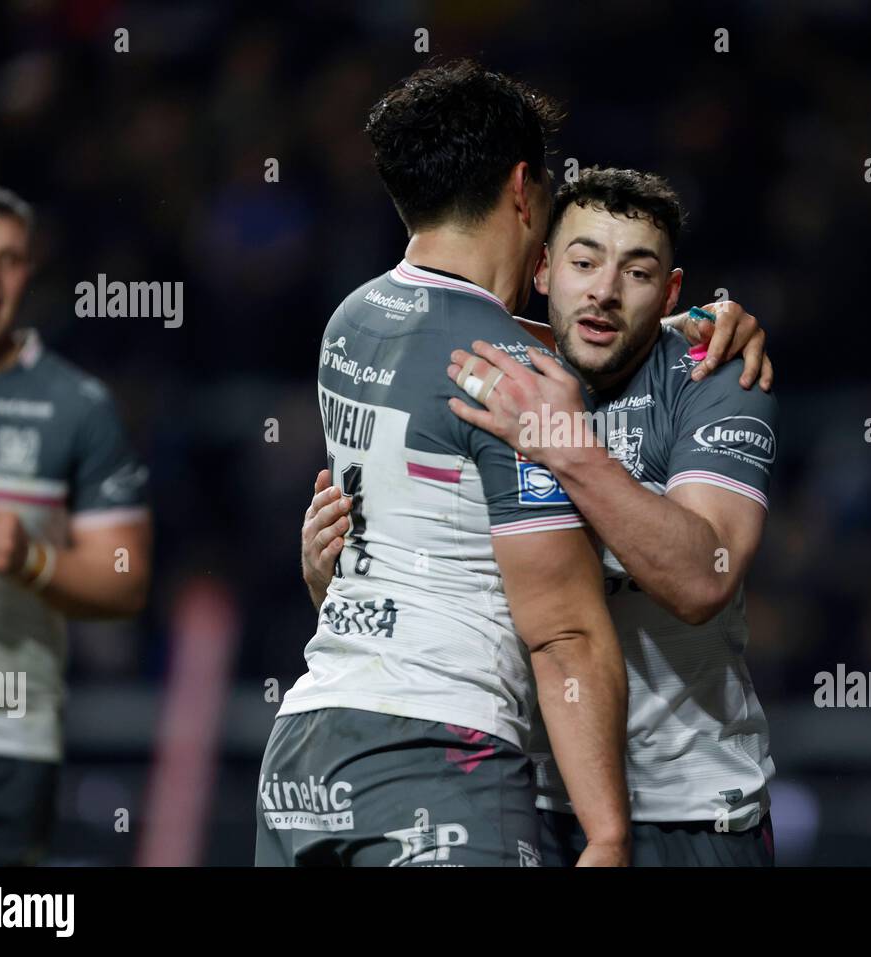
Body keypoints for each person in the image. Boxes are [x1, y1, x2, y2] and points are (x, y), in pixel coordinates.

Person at [305, 167, 779, 865]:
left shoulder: (715, 374)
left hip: (691, 811)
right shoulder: (491, 367)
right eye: (584, 263)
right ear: (544, 270)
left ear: (671, 291)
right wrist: (336, 573)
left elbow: (701, 578)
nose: (605, 291)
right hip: (518, 797)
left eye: (637, 273)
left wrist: (566, 445)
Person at [256, 60, 629, 868]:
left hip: (306, 750)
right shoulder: (514, 381)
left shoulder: (351, 320)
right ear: (524, 188)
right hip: (435, 757)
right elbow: (563, 630)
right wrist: (607, 833)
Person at [0, 184, 152, 866]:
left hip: (6, 743)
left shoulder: (77, 406)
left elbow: (127, 581)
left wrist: (35, 561)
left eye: (9, 259)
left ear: (29, 275)